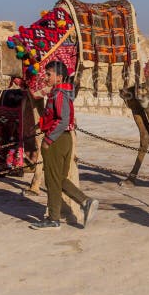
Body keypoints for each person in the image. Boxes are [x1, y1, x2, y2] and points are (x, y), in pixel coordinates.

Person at [32, 60, 99, 229]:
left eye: (49, 74)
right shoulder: (60, 92)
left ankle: (54, 218)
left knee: (52, 180)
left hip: (57, 140)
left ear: (59, 77)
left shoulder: (59, 94)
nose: (46, 77)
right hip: (63, 138)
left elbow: (62, 120)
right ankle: (85, 202)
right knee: (58, 179)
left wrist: (48, 140)